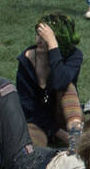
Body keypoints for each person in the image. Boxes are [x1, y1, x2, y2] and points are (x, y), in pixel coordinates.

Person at [17, 12, 84, 151]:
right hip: (36, 121)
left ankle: (76, 137)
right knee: (30, 145)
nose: (39, 41)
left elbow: (61, 82)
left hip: (64, 115)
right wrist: (58, 133)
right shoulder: (26, 60)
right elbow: (29, 108)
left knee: (68, 87)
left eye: (45, 37)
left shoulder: (74, 56)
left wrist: (53, 47)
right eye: (38, 35)